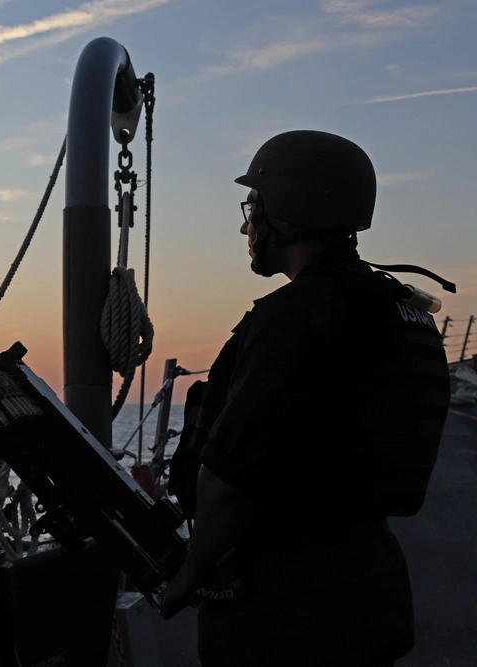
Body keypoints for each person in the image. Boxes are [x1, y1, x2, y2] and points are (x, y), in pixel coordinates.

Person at [159, 130, 451, 666]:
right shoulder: (402, 313)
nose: (246, 225)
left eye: (254, 207)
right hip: (367, 586)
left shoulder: (296, 314)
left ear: (286, 213)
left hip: (283, 605)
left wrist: (187, 577)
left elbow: (230, 474)